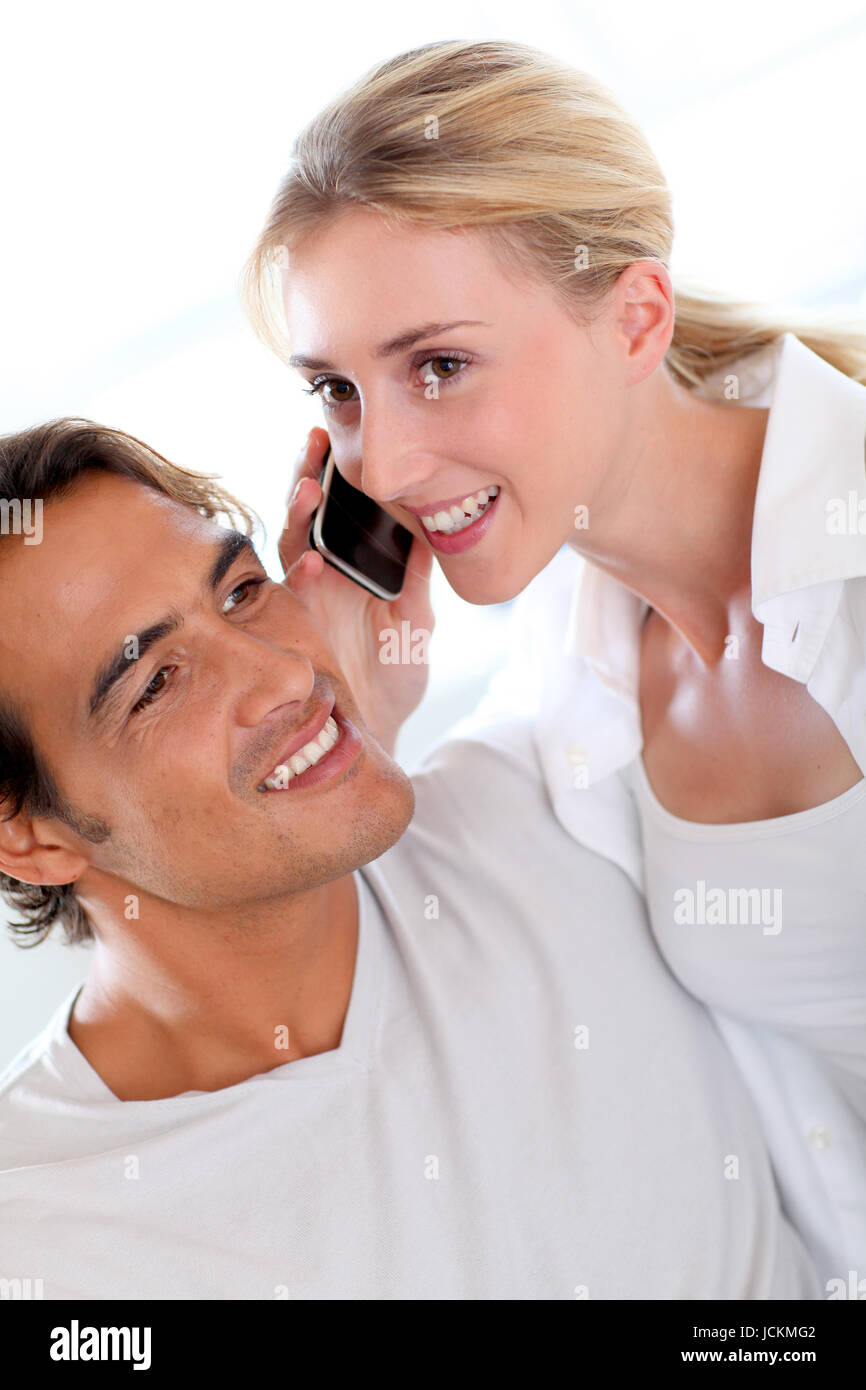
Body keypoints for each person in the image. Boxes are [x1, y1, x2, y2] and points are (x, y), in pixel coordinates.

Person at [241, 38, 866, 1286]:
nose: (381, 470)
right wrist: (366, 701)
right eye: (340, 393)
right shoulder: (572, 675)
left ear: (635, 317)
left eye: (439, 366)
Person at [0, 419, 818, 1300]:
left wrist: (345, 742)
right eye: (157, 682)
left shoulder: (557, 801)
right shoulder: (43, 1244)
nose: (282, 674)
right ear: (31, 837)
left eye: (240, 591)